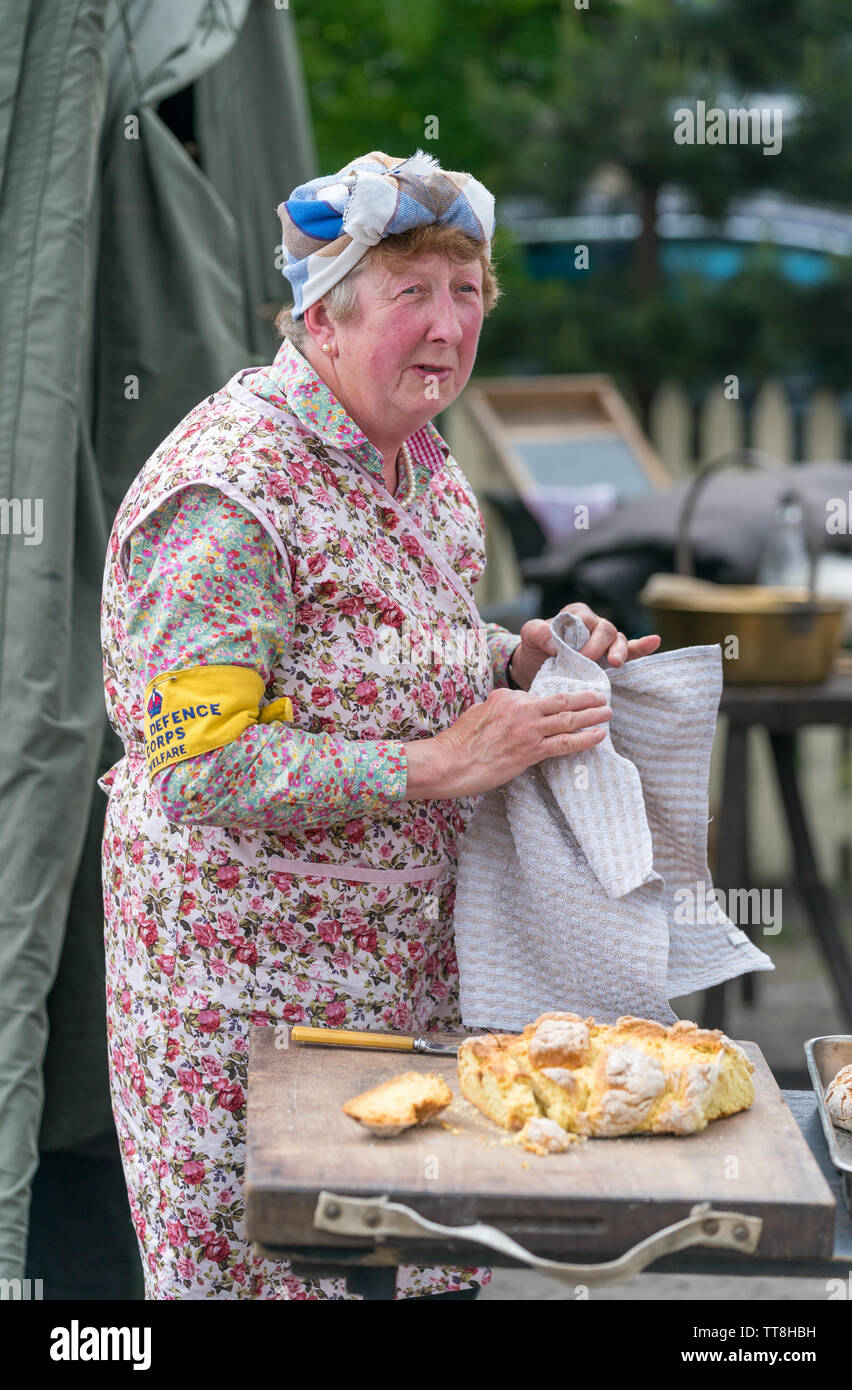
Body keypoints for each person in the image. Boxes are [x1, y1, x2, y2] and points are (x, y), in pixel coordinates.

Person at [99, 150, 660, 1300]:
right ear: (323, 313)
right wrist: (433, 764)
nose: (449, 325)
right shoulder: (228, 489)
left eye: (467, 292)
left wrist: (523, 655)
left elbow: (386, 648)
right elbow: (193, 762)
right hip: (238, 1003)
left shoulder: (415, 460)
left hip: (401, 986)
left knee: (427, 1269)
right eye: (412, 292)